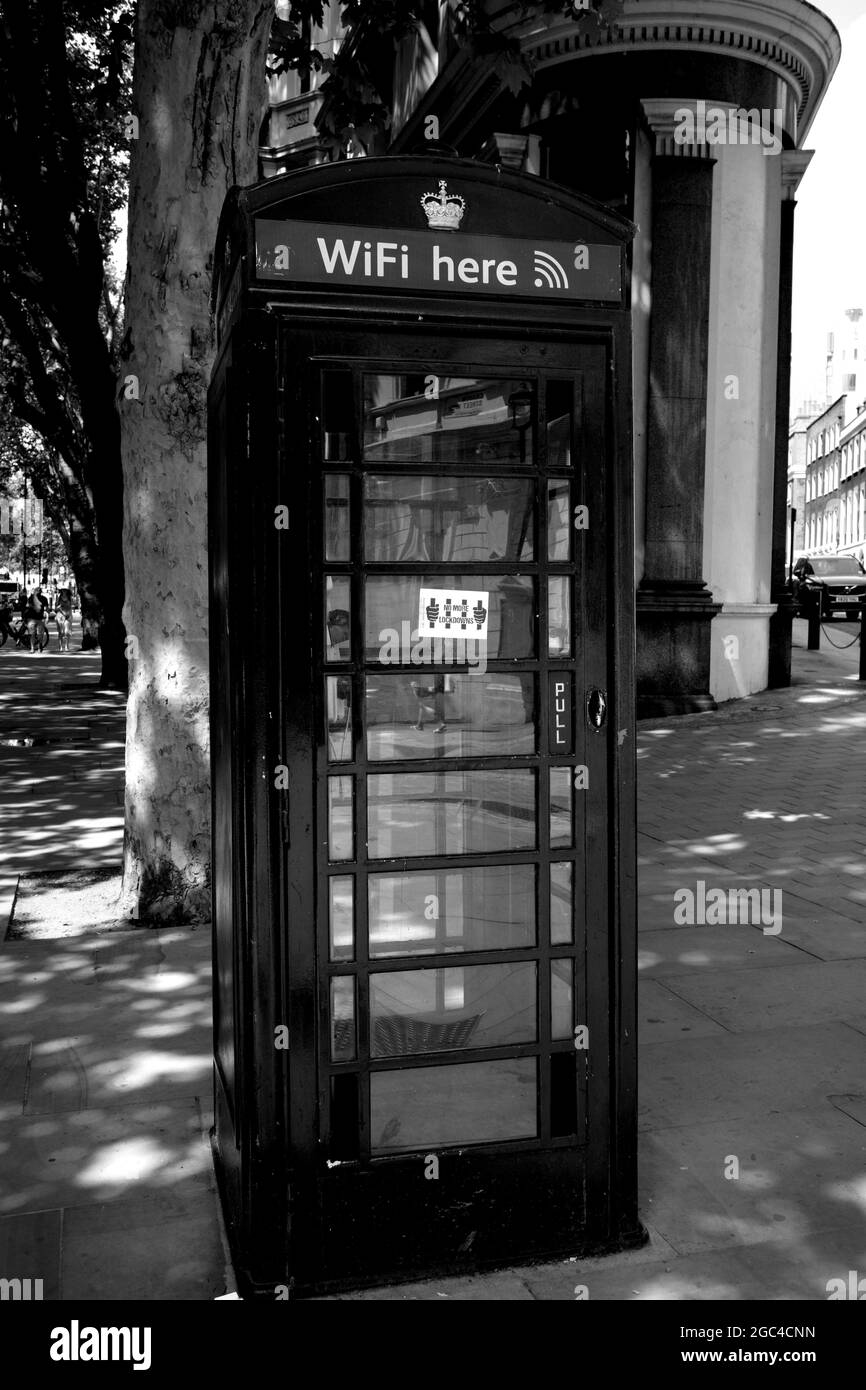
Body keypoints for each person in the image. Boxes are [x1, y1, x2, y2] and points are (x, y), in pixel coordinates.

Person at [24, 586, 47, 653]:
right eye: (37, 590)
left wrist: (47, 614)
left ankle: (39, 646)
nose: (38, 592)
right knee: (32, 634)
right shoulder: (31, 598)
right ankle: (32, 648)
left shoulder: (44, 599)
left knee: (40, 634)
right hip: (32, 618)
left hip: (40, 618)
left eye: (39, 590)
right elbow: (27, 606)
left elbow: (47, 608)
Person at [54, 586, 73, 652]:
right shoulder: (58, 598)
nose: (63, 591)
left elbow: (71, 607)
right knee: (61, 632)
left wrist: (70, 615)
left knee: (67, 632)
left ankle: (66, 646)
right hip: (60, 616)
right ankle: (60, 646)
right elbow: (55, 608)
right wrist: (58, 607)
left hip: (67, 616)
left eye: (65, 590)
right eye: (62, 590)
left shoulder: (69, 598)